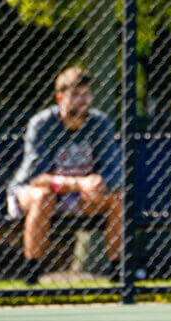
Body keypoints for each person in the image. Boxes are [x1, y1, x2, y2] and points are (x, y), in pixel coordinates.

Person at [9, 67, 123, 285]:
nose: (83, 100)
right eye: (76, 94)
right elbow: (35, 176)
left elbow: (114, 171)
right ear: (60, 97)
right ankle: (32, 272)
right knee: (44, 197)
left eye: (87, 94)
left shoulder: (100, 123)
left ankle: (118, 273)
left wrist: (101, 182)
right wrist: (78, 182)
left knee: (116, 197)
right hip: (35, 192)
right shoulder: (42, 124)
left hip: (80, 197)